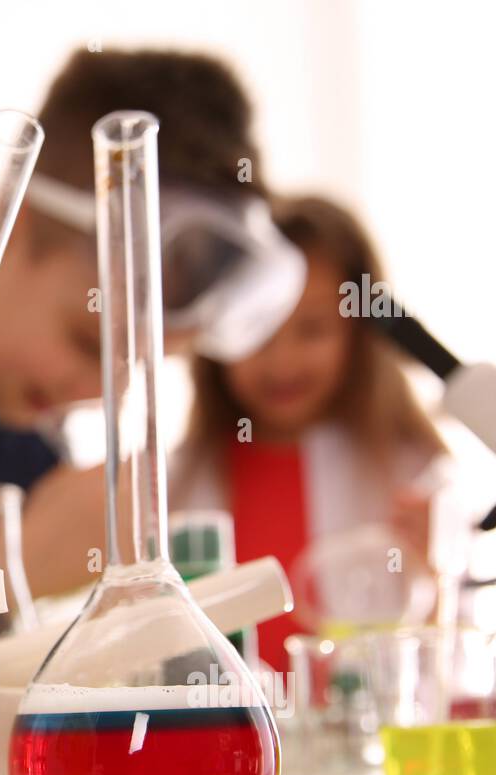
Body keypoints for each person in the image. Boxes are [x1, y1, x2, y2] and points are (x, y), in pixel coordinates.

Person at [0, 48, 288, 671]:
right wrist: (22, 567)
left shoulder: (39, 457)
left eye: (134, 371)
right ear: (10, 229)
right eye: (87, 341)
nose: (102, 394)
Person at [169, 195, 447, 674]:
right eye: (258, 332)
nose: (283, 362)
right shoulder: (174, 481)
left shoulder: (417, 476)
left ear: (361, 330)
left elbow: (445, 669)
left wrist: (438, 581)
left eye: (313, 328)